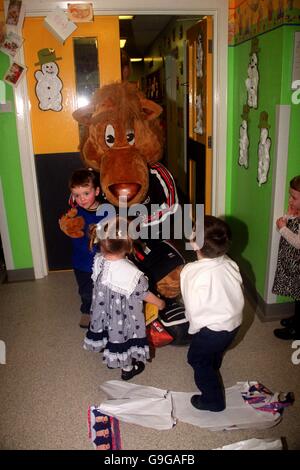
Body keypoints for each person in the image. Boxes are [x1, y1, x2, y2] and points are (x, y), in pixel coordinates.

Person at [84, 216, 166, 380]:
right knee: (123, 339)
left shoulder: (99, 261)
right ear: (129, 245)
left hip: (104, 312)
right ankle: (128, 368)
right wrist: (160, 303)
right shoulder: (131, 273)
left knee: (111, 334)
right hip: (122, 317)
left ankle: (112, 357)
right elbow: (143, 294)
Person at [180, 216, 244, 412]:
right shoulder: (229, 262)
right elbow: (237, 287)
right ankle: (214, 364)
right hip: (234, 323)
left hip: (212, 329)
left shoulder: (191, 271)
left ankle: (212, 400)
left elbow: (192, 305)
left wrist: (193, 328)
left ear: (196, 244)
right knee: (216, 351)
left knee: (196, 359)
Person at [59, 168, 104, 328]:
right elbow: (68, 227)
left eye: (86, 193)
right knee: (86, 291)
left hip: (104, 261)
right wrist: (66, 227)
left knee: (104, 288)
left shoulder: (107, 212)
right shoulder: (74, 213)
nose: (82, 199)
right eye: (77, 195)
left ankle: (105, 311)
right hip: (82, 262)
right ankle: (86, 310)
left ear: (97, 191)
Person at [272, 175, 300, 340]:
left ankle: (297, 329)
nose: (290, 199)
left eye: (294, 197)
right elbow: (284, 225)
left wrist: (282, 228)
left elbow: (297, 242)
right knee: (297, 296)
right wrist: (288, 216)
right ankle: (296, 319)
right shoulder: (297, 213)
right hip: (293, 265)